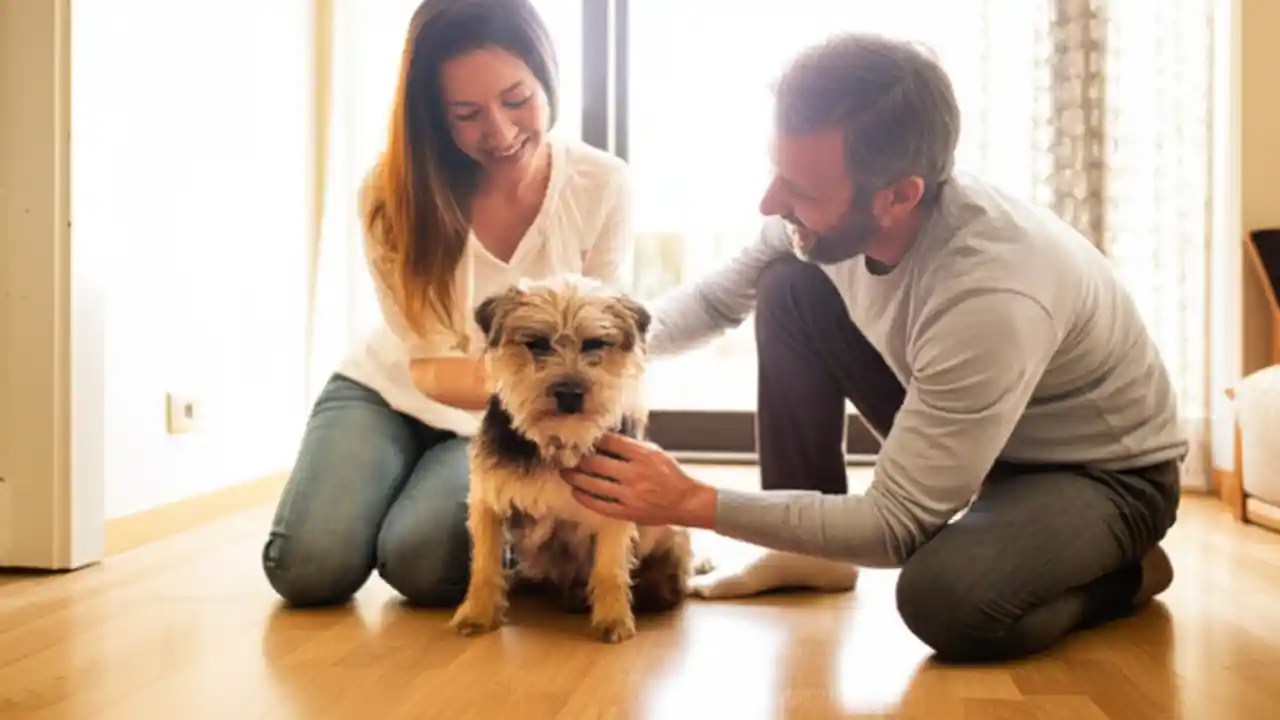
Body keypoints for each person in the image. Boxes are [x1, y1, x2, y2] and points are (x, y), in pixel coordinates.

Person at [561, 32, 1186, 663]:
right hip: (975, 427)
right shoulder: (825, 217)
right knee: (790, 285)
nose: (770, 201)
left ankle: (1125, 574)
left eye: (800, 188)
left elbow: (894, 526)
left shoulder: (991, 293)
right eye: (777, 170)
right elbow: (717, 301)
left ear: (898, 196)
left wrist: (690, 500)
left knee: (946, 599)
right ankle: (808, 555)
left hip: (1096, 475)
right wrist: (593, 355)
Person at [263, 0, 633, 608]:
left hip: (501, 422)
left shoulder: (602, 184)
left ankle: (427, 503)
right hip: (388, 393)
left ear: (547, 77)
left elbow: (609, 343)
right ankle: (393, 480)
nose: (501, 133)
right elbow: (431, 367)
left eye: (517, 99)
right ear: (434, 116)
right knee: (308, 568)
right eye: (467, 114)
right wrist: (547, 390)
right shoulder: (390, 193)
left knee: (425, 566)